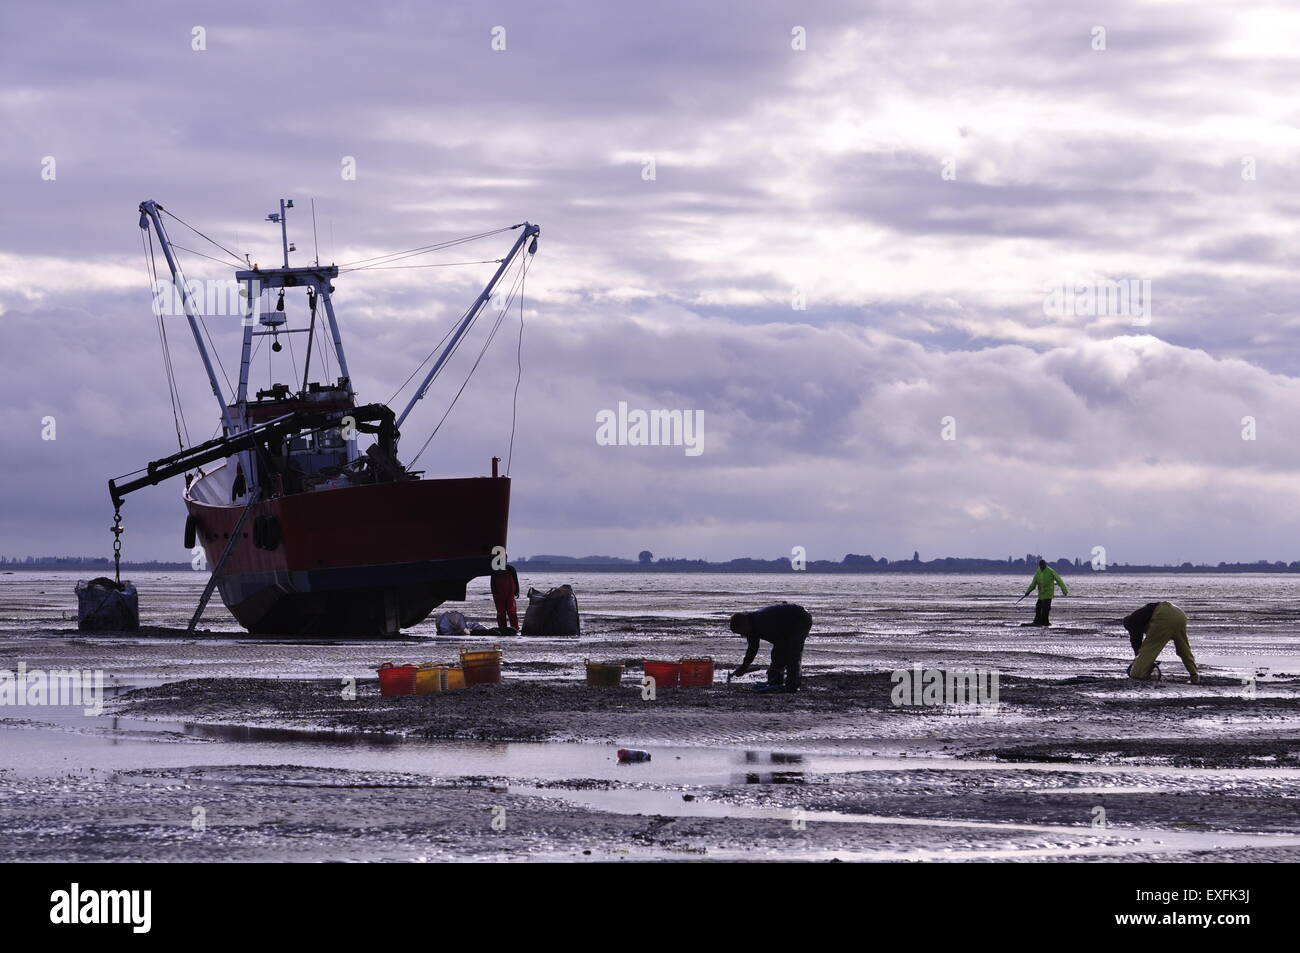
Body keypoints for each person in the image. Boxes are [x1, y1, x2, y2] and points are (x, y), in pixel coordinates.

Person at [727, 602, 813, 693]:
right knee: (779, 654)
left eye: (741, 632)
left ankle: (792, 686)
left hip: (801, 618)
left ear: (744, 625)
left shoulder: (762, 622)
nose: (742, 635)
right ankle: (776, 681)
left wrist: (776, 666)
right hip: (786, 624)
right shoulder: (751, 628)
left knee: (793, 652)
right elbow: (752, 649)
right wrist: (743, 668)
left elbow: (782, 644)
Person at [1123, 601, 1198, 683]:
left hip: (1163, 616)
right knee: (1184, 649)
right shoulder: (1143, 612)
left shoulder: (1132, 623)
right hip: (1180, 614)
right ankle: (1194, 675)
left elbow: (1137, 645)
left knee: (1148, 650)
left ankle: (1135, 676)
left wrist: (1138, 661)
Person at [1023, 558, 1068, 626]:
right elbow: (1033, 583)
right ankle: (1037, 621)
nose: (1041, 567)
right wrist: (1028, 592)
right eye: (1040, 566)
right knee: (1038, 606)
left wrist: (1064, 590)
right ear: (1039, 565)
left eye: (1043, 566)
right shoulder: (1038, 572)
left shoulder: (1050, 571)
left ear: (1045, 565)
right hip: (1041, 594)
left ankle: (1045, 622)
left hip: (1048, 594)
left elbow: (1059, 580)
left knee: (1045, 608)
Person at [490, 564, 519, 635]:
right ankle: (503, 628)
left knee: (511, 611)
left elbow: (515, 579)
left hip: (509, 592)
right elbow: (492, 582)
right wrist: (494, 592)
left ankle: (515, 628)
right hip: (499, 593)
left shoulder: (510, 569)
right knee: (501, 612)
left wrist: (517, 591)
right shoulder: (495, 569)